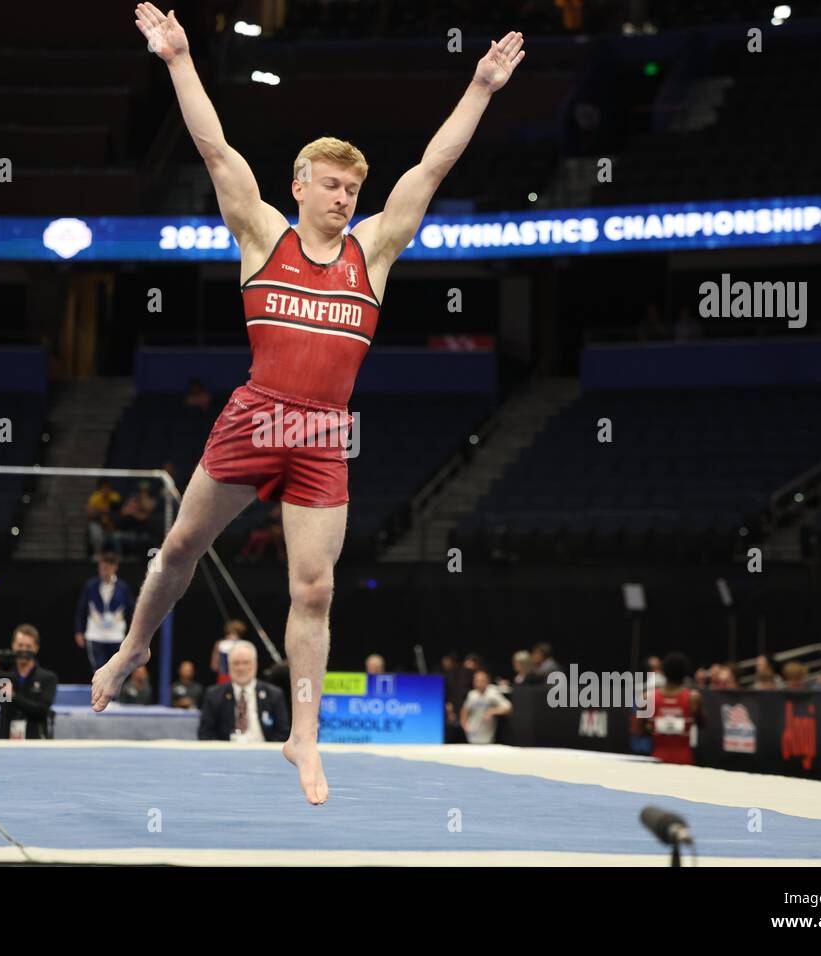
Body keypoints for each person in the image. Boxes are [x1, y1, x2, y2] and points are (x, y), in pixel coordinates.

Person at [98, 5, 525, 804]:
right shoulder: (263, 236)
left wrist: (480, 86)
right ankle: (132, 647)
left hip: (323, 431)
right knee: (181, 547)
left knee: (315, 588)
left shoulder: (374, 250)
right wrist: (180, 59)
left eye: (354, 186)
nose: (345, 195)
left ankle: (304, 734)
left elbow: (430, 169)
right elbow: (215, 150)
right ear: (299, 186)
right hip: (256, 415)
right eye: (332, 184)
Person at [198, 640, 289, 742]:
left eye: (246, 662)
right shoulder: (213, 695)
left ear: (255, 664)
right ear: (229, 666)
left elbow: (283, 734)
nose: (241, 668)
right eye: (236, 663)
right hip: (226, 755)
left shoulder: (274, 695)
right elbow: (205, 734)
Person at [0, 624, 57, 740]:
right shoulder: (4, 676)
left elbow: (41, 710)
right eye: (20, 645)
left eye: (28, 646)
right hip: (6, 742)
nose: (24, 650)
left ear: (36, 647)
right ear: (13, 645)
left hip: (36, 742)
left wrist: (13, 697)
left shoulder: (47, 678)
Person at [74, 553, 135, 675]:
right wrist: (79, 631)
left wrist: (133, 634)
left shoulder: (122, 587)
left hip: (116, 635)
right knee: (98, 669)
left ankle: (114, 694)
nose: (104, 572)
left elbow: (131, 610)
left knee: (116, 670)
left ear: (115, 567)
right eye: (102, 568)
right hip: (95, 635)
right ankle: (99, 694)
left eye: (107, 568)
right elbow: (82, 609)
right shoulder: (91, 586)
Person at [640, 652, 701, 765]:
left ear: (663, 672)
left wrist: (654, 726)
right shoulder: (693, 698)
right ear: (684, 674)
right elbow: (702, 724)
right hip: (684, 759)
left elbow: (640, 731)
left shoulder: (647, 697)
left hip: (658, 757)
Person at [460, 669, 512, 745]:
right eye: (477, 681)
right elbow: (465, 710)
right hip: (472, 734)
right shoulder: (472, 695)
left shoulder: (492, 693)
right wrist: (465, 725)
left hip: (487, 736)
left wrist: (492, 711)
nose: (479, 683)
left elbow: (509, 708)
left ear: (487, 681)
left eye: (482, 681)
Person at [209, 619, 248, 685]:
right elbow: (214, 666)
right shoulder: (220, 644)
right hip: (225, 678)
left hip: (241, 679)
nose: (231, 636)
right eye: (229, 634)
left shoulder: (244, 645)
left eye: (235, 634)